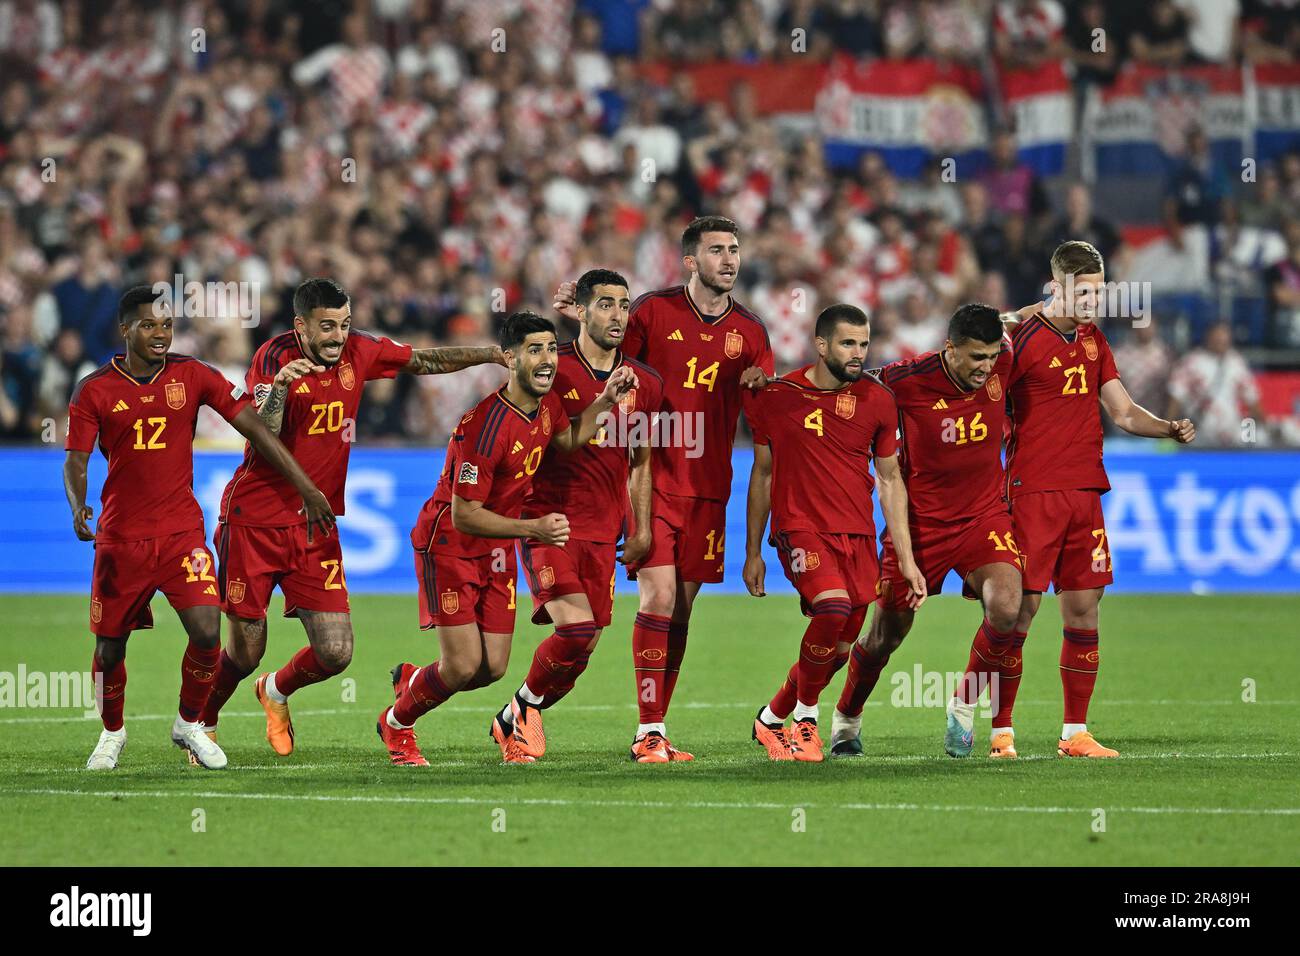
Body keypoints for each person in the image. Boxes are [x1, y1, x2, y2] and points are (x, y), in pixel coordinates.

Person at [200, 277, 503, 757]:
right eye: (326, 327)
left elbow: (423, 361)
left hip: (313, 524)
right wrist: (280, 387)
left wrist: (485, 352)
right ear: (300, 326)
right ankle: (202, 723)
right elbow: (263, 432)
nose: (337, 336)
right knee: (245, 650)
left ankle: (275, 689)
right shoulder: (272, 360)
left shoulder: (359, 351)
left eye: (343, 324)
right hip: (253, 520)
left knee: (336, 652)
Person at [64, 286, 334, 771]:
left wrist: (305, 486)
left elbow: (254, 427)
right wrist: (78, 503)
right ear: (125, 329)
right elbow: (76, 459)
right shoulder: (95, 389)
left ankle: (189, 722)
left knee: (209, 630)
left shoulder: (192, 375)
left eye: (166, 325)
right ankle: (111, 733)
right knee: (109, 648)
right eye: (148, 325)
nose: (160, 334)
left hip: (181, 533)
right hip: (121, 537)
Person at [553, 215, 772, 762]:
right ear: (691, 261)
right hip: (649, 475)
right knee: (660, 596)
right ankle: (648, 730)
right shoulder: (652, 310)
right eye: (717, 250)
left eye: (735, 249)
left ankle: (656, 725)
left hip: (709, 487)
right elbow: (605, 353)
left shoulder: (751, 332)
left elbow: (766, 407)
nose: (730, 259)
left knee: (681, 612)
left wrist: (762, 384)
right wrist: (578, 315)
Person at [379, 311, 638, 765]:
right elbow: (464, 515)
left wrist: (606, 400)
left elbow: (570, 438)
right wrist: (532, 528)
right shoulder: (483, 425)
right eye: (533, 350)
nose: (546, 360)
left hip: (495, 548)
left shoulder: (547, 404)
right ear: (510, 358)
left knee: (490, 669)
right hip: (452, 544)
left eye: (549, 350)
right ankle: (397, 725)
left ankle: (416, 681)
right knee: (460, 666)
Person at [1004, 241, 1196, 757]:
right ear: (1058, 287)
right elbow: (984, 386)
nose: (1092, 300)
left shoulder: (1095, 342)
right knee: (1020, 611)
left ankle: (1075, 733)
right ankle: (1001, 731)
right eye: (1082, 291)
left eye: (1099, 290)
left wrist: (1167, 428)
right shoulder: (1020, 339)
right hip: (1032, 490)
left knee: (1085, 610)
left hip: (1085, 490)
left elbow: (1125, 412)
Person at [831, 304, 1026, 759]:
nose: (986, 367)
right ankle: (846, 718)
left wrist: (1027, 312)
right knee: (885, 637)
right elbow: (845, 378)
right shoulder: (905, 379)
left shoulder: (1006, 356)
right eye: (976, 357)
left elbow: (1020, 321)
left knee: (1007, 607)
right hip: (919, 526)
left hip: (984, 516)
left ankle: (962, 705)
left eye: (992, 356)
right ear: (949, 349)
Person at [491, 269, 663, 760]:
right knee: (576, 631)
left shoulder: (645, 383)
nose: (618, 315)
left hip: (604, 530)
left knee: (580, 654)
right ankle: (522, 717)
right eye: (605, 304)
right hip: (550, 521)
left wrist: (642, 526)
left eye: (624, 305)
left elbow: (641, 458)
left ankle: (516, 712)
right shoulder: (550, 368)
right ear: (581, 311)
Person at [743, 304, 923, 762]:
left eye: (864, 343)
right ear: (821, 345)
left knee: (839, 650)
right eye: (847, 343)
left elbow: (889, 480)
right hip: (801, 528)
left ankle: (770, 719)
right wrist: (752, 551)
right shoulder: (776, 396)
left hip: (858, 536)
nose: (858, 352)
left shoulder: (879, 400)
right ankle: (806, 719)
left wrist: (905, 556)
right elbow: (762, 474)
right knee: (832, 607)